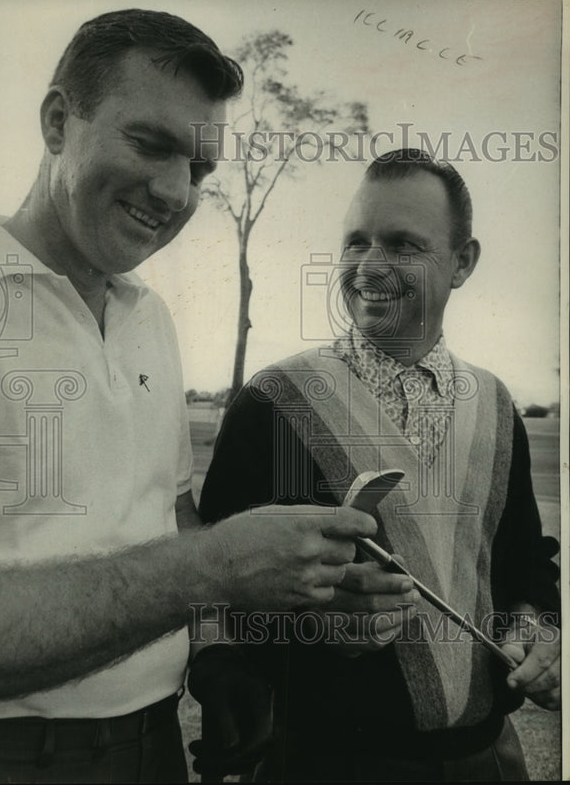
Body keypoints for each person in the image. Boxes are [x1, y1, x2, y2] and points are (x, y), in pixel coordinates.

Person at [0, 10, 375, 784]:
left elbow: (169, 511)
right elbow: (194, 557)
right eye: (149, 144)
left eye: (198, 169)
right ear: (59, 121)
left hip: (153, 750)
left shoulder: (147, 315)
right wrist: (213, 568)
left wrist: (222, 656)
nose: (174, 192)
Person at [197, 149, 561, 782]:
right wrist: (309, 625)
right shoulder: (275, 402)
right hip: (322, 760)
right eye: (356, 241)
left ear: (463, 262)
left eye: (402, 244)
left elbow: (526, 563)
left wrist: (541, 630)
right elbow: (209, 596)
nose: (368, 267)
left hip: (489, 760)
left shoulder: (498, 407)